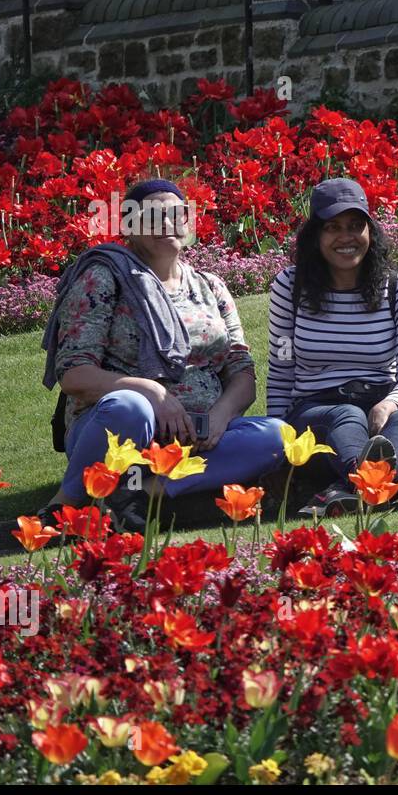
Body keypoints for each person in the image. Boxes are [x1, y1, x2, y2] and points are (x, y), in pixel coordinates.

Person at [40, 179, 285, 532]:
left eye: (175, 214)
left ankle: (143, 491)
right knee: (130, 405)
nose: (166, 224)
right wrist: (153, 393)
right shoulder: (105, 278)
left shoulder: (210, 286)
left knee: (276, 435)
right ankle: (63, 505)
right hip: (122, 430)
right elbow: (75, 376)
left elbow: (242, 372)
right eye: (151, 217)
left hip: (196, 436)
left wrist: (219, 416)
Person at [266, 178, 398, 517]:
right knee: (347, 414)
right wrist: (279, 449)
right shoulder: (290, 287)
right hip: (315, 412)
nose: (346, 237)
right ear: (315, 236)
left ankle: (348, 491)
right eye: (333, 227)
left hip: (382, 405)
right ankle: (372, 483)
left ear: (371, 232)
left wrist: (389, 404)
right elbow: (281, 369)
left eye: (356, 226)